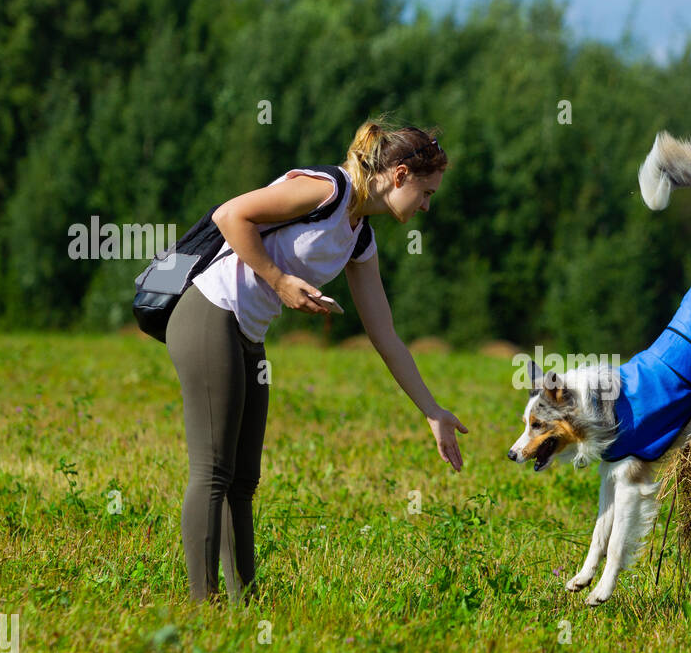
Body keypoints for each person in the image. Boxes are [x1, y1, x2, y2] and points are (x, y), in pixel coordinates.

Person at [165, 120, 467, 602]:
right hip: (209, 313)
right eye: (426, 193)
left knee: (243, 479)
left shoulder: (359, 237)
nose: (427, 205)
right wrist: (281, 281)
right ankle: (204, 610)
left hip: (246, 333)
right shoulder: (327, 190)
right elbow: (230, 216)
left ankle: (244, 605)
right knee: (214, 469)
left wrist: (431, 410)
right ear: (401, 174)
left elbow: (384, 335)